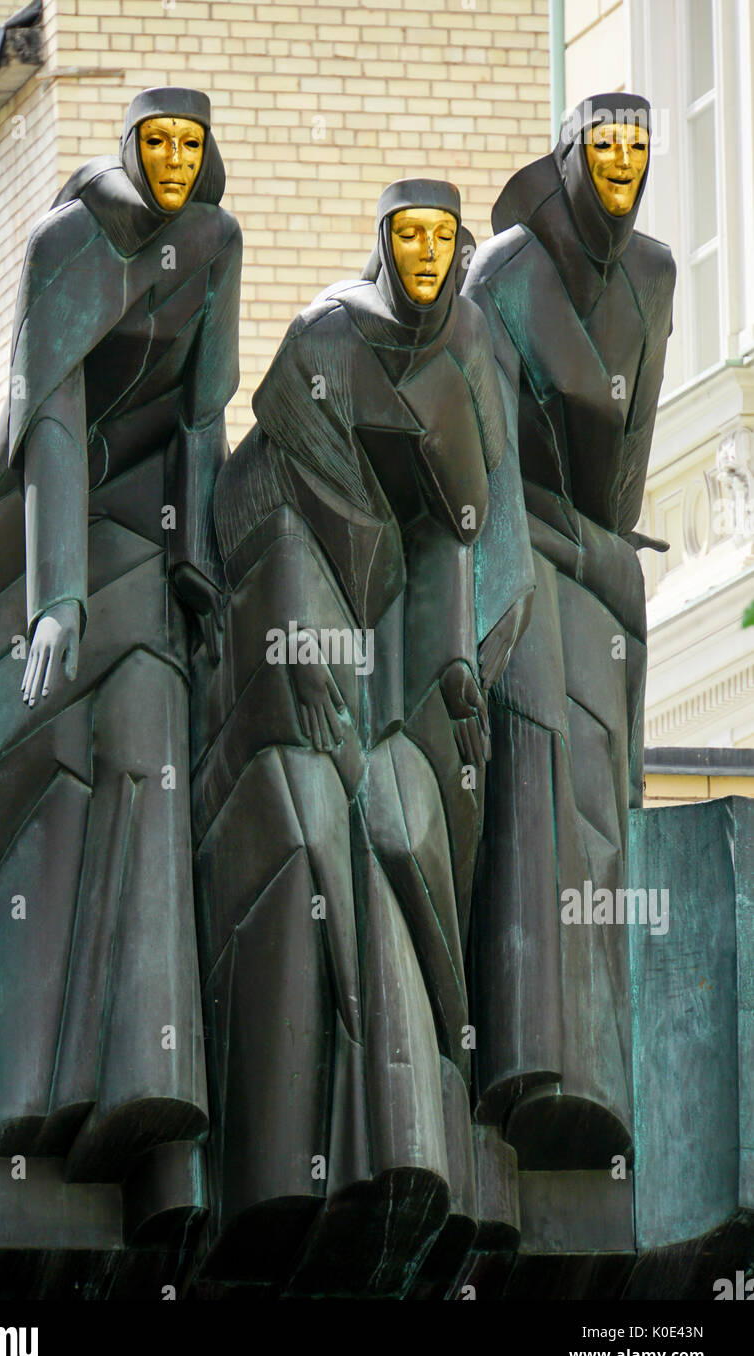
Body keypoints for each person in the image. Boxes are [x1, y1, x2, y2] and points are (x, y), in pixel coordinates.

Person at [0, 89, 242, 1209]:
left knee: (149, 740)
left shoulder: (214, 243)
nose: (177, 162)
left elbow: (201, 414)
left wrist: (202, 568)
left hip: (147, 538)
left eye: (193, 144)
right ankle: (27, 1085)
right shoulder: (65, 240)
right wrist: (56, 599)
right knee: (55, 760)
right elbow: (48, 417)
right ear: (132, 149)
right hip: (32, 553)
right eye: (159, 143)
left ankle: (145, 1089)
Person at [193, 178, 533, 1293]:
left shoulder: (472, 342)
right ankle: (384, 1109)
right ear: (383, 245)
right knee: (334, 810)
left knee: (412, 798)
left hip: (403, 611)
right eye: (410, 235)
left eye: (445, 236)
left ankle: (444, 1044)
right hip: (291, 580)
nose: (429, 253)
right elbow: (295, 505)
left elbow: (486, 527)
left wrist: (460, 658)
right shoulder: (326, 336)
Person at [463, 93, 675, 1168]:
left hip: (593, 549)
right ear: (570, 155)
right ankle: (531, 1052)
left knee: (601, 783)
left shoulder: (654, 278)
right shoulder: (503, 273)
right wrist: (510, 590)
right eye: (607, 146)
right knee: (544, 725)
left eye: (641, 146)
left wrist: (606, 561)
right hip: (514, 546)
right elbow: (487, 466)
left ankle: (595, 1066)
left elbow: (627, 471)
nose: (625, 162)